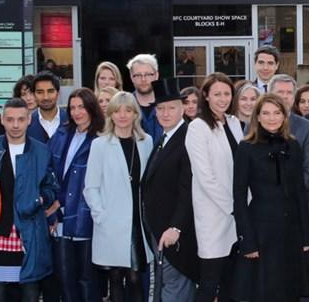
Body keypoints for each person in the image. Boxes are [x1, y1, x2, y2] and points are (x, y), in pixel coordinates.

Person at [0, 97, 59, 301]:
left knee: (30, 292)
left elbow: (51, 187)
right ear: (2, 120)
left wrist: (38, 198)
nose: (16, 125)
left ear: (29, 120)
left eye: (20, 119)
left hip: (30, 234)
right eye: (10, 119)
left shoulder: (41, 151)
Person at [229, 95, 309, 301]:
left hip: (291, 232)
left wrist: (306, 235)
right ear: (257, 117)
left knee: (290, 290)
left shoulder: (293, 145)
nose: (271, 118)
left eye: (277, 113)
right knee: (264, 291)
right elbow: (239, 196)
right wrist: (247, 240)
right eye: (265, 113)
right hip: (262, 232)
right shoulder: (246, 148)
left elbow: (300, 192)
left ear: (285, 116)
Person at [85, 92, 155, 301]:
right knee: (115, 277)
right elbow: (91, 187)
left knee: (135, 277)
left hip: (138, 221)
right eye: (117, 111)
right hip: (111, 222)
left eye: (128, 110)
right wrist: (101, 216)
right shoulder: (100, 144)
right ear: (110, 115)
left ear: (136, 114)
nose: (123, 115)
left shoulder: (146, 141)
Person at [186, 73, 246, 302]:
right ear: (206, 96)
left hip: (236, 215)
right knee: (209, 283)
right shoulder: (198, 128)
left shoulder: (233, 122)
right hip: (214, 216)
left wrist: (243, 204)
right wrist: (233, 206)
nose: (223, 99)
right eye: (217, 94)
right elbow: (205, 177)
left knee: (232, 283)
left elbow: (241, 168)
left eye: (227, 93)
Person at [142, 80, 199, 302]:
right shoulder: (164, 138)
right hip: (159, 231)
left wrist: (176, 226)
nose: (165, 113)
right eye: (161, 108)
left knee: (175, 288)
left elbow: (188, 189)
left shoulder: (188, 138)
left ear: (183, 109)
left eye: (171, 108)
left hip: (177, 235)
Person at [49, 88, 106, 302]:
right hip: (61, 218)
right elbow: (49, 170)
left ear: (91, 108)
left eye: (81, 106)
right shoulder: (63, 133)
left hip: (86, 216)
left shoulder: (101, 137)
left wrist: (61, 202)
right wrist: (53, 206)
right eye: (72, 107)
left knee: (87, 277)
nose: (76, 112)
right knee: (65, 277)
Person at [269, 73, 309, 190]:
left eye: (289, 93)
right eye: (280, 92)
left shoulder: (308, 128)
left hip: (296, 200)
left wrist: (290, 194)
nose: (285, 97)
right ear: (269, 95)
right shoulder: (253, 126)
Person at [29, 71, 71, 145]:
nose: (46, 97)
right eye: (40, 92)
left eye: (50, 91)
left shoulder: (71, 121)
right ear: (34, 95)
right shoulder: (27, 123)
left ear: (58, 94)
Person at [129, 54, 163, 138]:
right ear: (131, 77)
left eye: (148, 74)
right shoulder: (124, 104)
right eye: (138, 75)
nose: (143, 79)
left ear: (156, 75)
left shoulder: (167, 104)